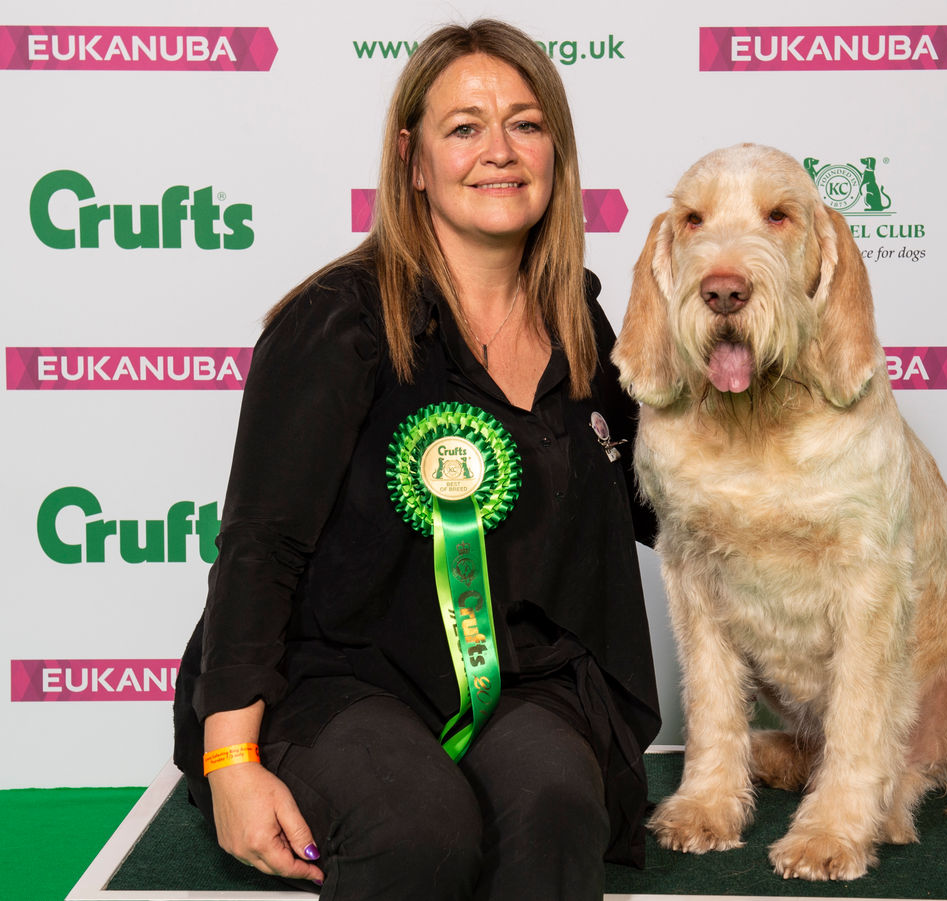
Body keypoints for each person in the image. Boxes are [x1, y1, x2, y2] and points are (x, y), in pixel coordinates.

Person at [172, 19, 660, 901]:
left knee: (556, 804)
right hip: (338, 676)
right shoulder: (339, 321)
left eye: (526, 122)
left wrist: (756, 393)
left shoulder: (580, 320)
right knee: (418, 830)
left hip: (515, 681)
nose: (500, 151)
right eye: (464, 127)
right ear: (414, 159)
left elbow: (657, 498)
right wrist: (231, 759)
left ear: (557, 148)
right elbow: (259, 546)